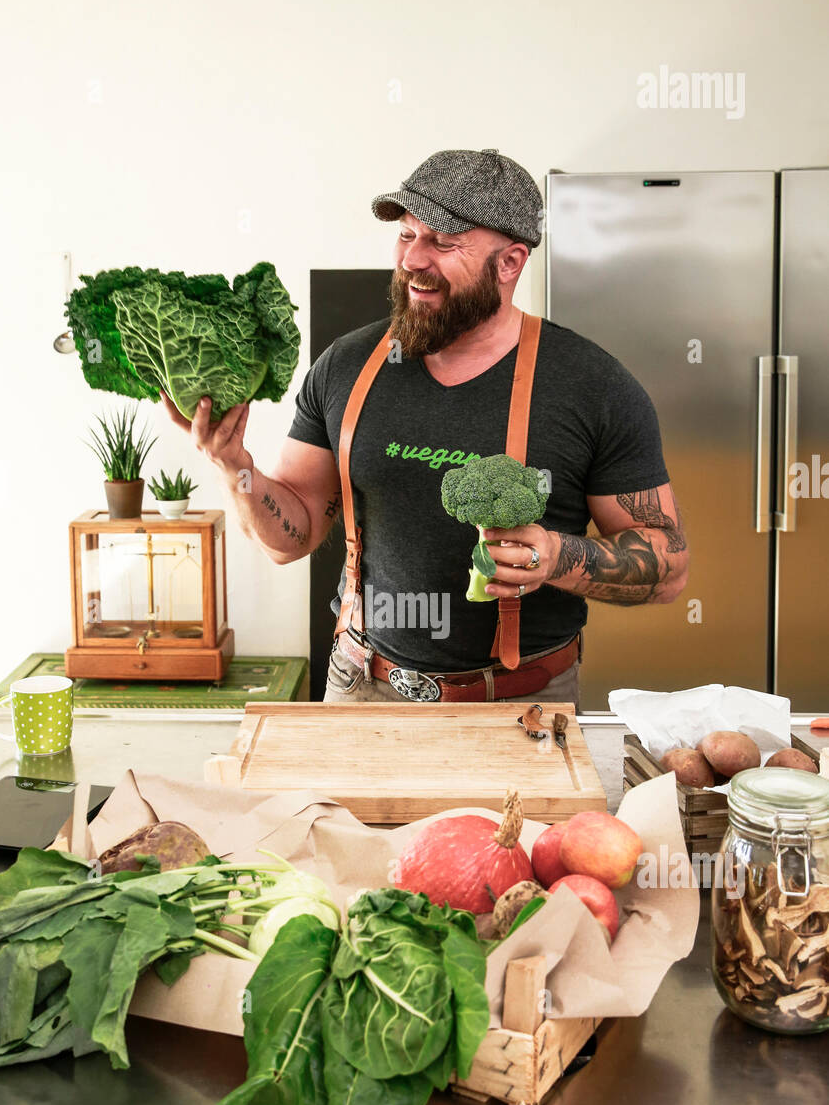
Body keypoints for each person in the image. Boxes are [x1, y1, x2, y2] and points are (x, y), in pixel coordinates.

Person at [160, 148, 689, 712]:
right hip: (361, 685)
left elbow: (668, 565)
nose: (413, 259)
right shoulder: (347, 365)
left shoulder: (592, 385)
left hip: (518, 704)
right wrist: (233, 464)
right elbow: (293, 539)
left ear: (509, 262)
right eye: (407, 235)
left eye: (443, 242)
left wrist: (556, 556)